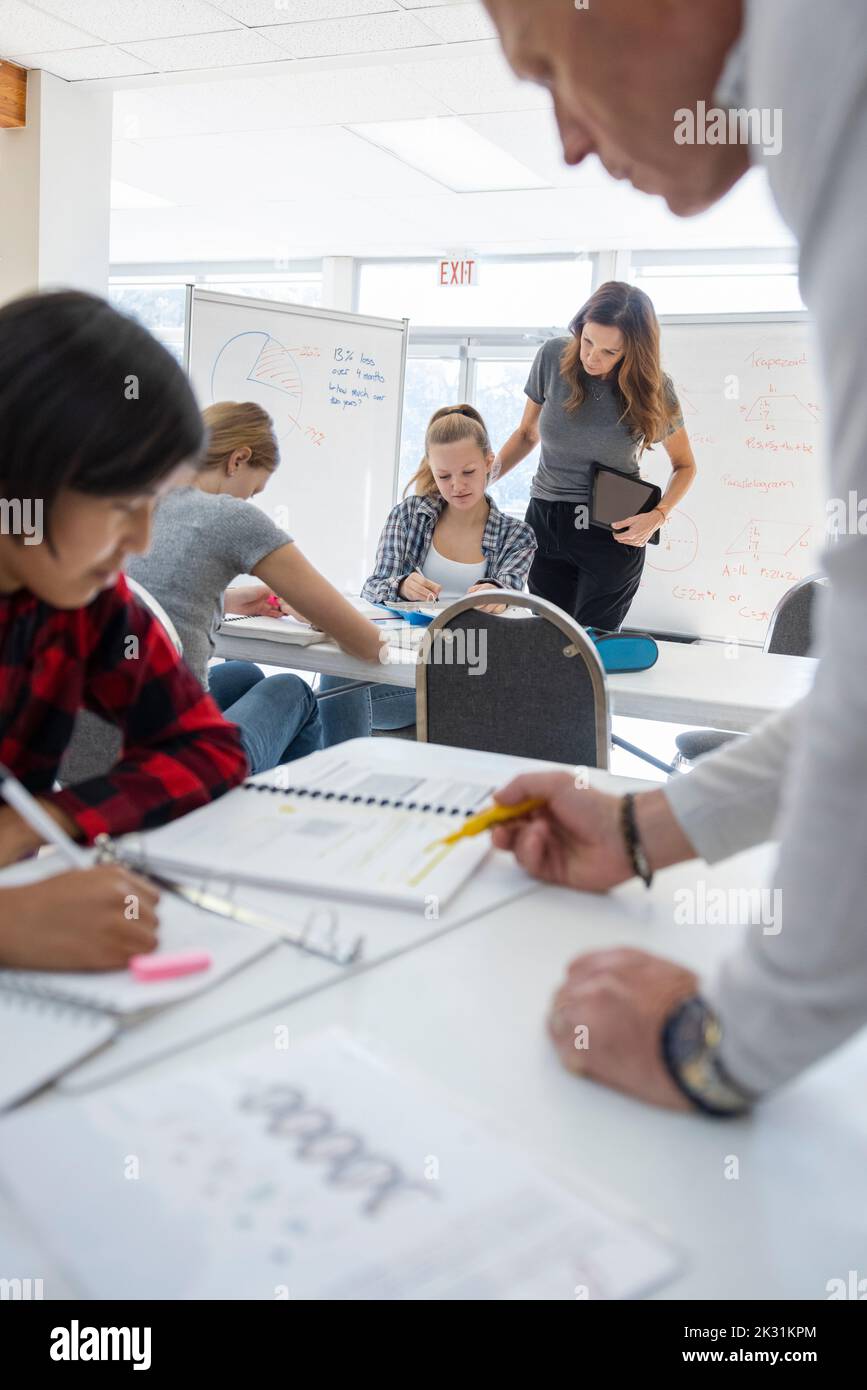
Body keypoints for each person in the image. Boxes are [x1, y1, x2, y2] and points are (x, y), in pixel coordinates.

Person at [484, 0, 867, 1112]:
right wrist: (645, 828)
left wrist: (721, 1044)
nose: (566, 138)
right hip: (553, 528)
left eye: (550, 66)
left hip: (613, 539)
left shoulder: (828, 50)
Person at [0, 291, 248, 972]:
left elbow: (208, 748)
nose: (138, 541)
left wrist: (40, 821)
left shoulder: (83, 601)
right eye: (120, 507)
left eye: (154, 505)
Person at [125, 400, 385, 772]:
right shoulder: (231, 518)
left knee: (243, 674)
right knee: (293, 690)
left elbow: (150, 595)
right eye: (254, 490)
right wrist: (317, 613)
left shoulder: (139, 499)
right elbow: (366, 643)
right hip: (172, 761)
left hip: (104, 743)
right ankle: (280, 818)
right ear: (238, 459)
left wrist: (229, 600)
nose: (249, 501)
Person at [319, 405, 537, 737]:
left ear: (490, 463)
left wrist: (497, 594)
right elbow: (374, 587)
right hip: (402, 659)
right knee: (335, 675)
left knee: (326, 700)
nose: (457, 486)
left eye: (468, 472)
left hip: (467, 667)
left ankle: (334, 772)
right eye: (444, 476)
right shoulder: (409, 515)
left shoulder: (517, 535)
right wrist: (402, 585)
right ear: (431, 471)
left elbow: (509, 588)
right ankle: (341, 776)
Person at [494, 281, 696, 630]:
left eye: (609, 352)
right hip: (545, 519)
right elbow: (527, 434)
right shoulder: (552, 357)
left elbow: (685, 465)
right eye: (587, 341)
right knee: (546, 642)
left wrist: (659, 516)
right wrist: (480, 480)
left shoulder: (653, 389)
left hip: (610, 531)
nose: (592, 357)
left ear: (633, 351)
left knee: (591, 648)